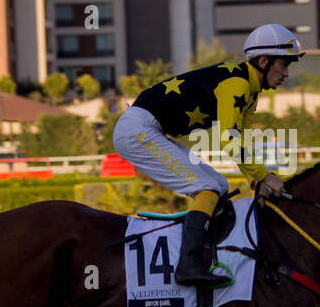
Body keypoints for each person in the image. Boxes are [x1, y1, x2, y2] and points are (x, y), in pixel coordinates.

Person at [112, 23, 305, 286]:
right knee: (206, 185)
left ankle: (204, 256)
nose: (286, 73)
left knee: (218, 184)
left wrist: (258, 180)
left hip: (146, 128)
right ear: (263, 60)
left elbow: (242, 141)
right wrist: (264, 176)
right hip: (136, 130)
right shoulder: (237, 84)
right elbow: (229, 138)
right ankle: (187, 264)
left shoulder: (250, 92)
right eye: (283, 64)